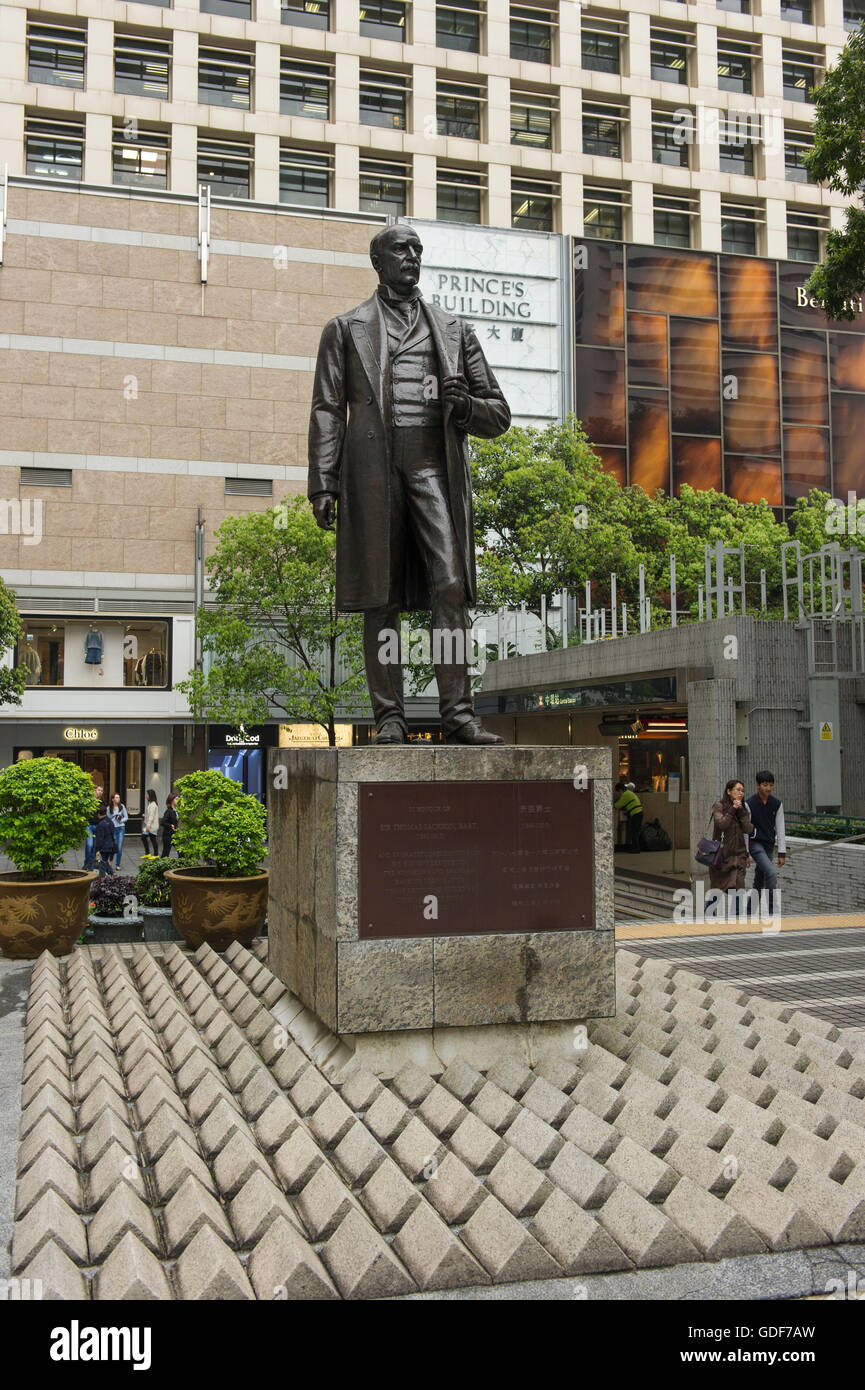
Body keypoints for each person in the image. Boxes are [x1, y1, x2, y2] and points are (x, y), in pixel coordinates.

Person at [308, 223, 510, 746]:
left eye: (417, 249)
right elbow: (328, 410)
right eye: (401, 249)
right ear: (378, 261)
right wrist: (323, 484)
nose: (412, 257)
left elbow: (498, 415)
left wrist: (463, 405)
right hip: (372, 473)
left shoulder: (453, 329)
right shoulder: (345, 328)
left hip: (432, 468)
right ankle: (389, 718)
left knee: (449, 584)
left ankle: (458, 714)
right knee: (381, 597)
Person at [708, 778, 754, 915]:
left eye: (743, 791)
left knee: (739, 889)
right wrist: (733, 809)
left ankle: (737, 920)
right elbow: (722, 824)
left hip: (738, 856)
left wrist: (741, 812)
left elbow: (748, 830)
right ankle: (708, 916)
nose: (741, 793)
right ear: (728, 791)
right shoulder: (719, 806)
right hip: (721, 857)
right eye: (738, 790)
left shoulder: (743, 809)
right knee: (716, 890)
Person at [746, 771, 786, 915]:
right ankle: (773, 910)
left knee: (760, 878)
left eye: (771, 785)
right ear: (757, 785)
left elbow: (780, 828)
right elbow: (746, 830)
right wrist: (745, 853)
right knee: (771, 872)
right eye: (765, 785)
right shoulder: (749, 804)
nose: (768, 788)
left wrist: (782, 852)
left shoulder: (777, 804)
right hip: (755, 844)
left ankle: (750, 912)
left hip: (769, 844)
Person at [614, 781, 643, 853]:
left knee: (634, 832)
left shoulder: (625, 794)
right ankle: (636, 848)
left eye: (618, 792)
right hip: (638, 813)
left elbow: (618, 805)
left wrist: (612, 804)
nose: (619, 794)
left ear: (620, 790)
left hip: (636, 814)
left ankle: (636, 849)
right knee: (635, 831)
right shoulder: (629, 793)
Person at [83, 782, 104, 870]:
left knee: (96, 847)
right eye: (98, 790)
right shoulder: (89, 801)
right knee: (90, 845)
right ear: (94, 791)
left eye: (101, 791)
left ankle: (91, 864)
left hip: (98, 826)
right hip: (89, 825)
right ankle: (87, 863)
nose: (100, 792)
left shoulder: (102, 802)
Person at [93, 806, 115, 877]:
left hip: (104, 847)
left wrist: (97, 850)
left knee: (103, 862)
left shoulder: (100, 825)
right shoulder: (110, 821)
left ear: (99, 814)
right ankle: (109, 874)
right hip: (110, 845)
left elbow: (100, 839)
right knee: (105, 861)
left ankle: (110, 873)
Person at [108, 792, 129, 869]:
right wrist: (114, 816)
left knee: (119, 847)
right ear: (113, 799)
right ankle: (110, 861)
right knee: (114, 846)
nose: (118, 799)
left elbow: (126, 817)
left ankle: (117, 864)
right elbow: (108, 818)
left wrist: (120, 820)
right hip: (113, 829)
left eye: (119, 797)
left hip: (121, 828)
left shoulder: (122, 806)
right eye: (116, 797)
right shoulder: (109, 808)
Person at [142, 788, 160, 855]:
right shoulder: (151, 804)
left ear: (150, 795)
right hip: (149, 825)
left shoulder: (152, 804)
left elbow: (151, 816)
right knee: (149, 838)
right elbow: (150, 815)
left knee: (151, 839)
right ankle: (149, 853)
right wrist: (145, 815)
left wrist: (148, 825)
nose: (146, 795)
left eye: (147, 794)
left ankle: (155, 854)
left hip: (151, 826)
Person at [161, 793, 178, 858]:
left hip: (174, 834)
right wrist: (171, 825)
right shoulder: (168, 811)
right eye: (176, 799)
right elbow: (163, 822)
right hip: (168, 835)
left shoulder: (175, 811)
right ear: (172, 800)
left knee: (181, 851)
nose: (178, 801)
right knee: (165, 853)